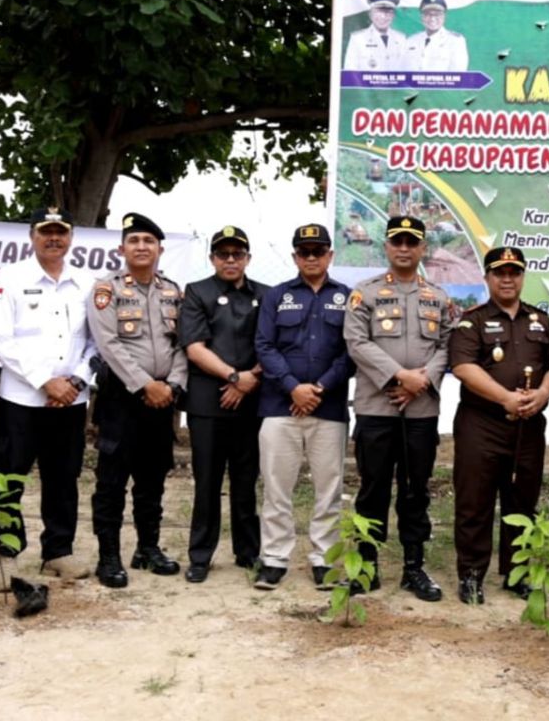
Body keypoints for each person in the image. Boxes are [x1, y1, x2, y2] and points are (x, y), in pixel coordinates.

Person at [344, 215, 454, 602]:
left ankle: (414, 567)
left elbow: (447, 346)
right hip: (377, 408)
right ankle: (367, 567)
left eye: (412, 242)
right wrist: (397, 378)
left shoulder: (438, 297)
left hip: (421, 411)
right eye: (397, 242)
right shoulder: (365, 293)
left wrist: (421, 381)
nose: (404, 249)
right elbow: (356, 343)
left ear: (422, 248)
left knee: (415, 491)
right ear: (387, 248)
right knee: (372, 490)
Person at [0, 207, 98, 581]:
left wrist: (75, 384)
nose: (54, 238)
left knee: (63, 478)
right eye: (46, 231)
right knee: (9, 477)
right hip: (21, 399)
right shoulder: (10, 277)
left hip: (71, 401)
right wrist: (44, 381)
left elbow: (97, 344)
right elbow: (0, 340)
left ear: (70, 237)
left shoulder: (87, 282)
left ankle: (58, 552)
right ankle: (7, 554)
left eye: (60, 232)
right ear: (32, 236)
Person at [449, 247, 549, 604]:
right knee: (474, 503)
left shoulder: (541, 321)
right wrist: (505, 398)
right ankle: (471, 575)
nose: (507, 278)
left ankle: (517, 574)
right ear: (487, 278)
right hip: (482, 425)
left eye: (514, 272)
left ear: (523, 276)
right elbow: (464, 367)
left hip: (528, 428)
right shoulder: (473, 320)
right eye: (500, 273)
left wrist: (542, 394)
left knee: (522, 502)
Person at [87, 213, 188, 589]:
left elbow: (182, 344)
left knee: (153, 478)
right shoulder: (107, 290)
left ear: (160, 249)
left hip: (163, 401)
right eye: (135, 241)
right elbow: (108, 344)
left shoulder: (172, 292)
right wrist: (145, 384)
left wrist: (173, 385)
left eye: (149, 241)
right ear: (122, 249)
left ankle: (148, 548)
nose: (142, 247)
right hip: (122, 397)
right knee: (112, 481)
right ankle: (108, 556)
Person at [254, 224, 353, 590]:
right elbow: (264, 346)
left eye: (318, 251)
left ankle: (324, 561)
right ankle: (274, 559)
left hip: (328, 410)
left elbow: (351, 351)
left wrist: (320, 388)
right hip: (280, 407)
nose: (311, 257)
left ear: (330, 255)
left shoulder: (347, 297)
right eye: (304, 251)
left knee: (329, 490)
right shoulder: (277, 296)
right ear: (295, 256)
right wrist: (294, 388)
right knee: (277, 489)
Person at [177, 226, 267, 583]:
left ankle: (248, 552)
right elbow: (195, 347)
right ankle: (200, 556)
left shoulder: (266, 294)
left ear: (247, 257)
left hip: (251, 401)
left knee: (246, 482)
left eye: (237, 254)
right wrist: (234, 378)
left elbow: (271, 343)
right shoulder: (197, 292)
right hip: (208, 403)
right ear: (212, 258)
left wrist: (248, 383)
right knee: (207, 483)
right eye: (223, 254)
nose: (230, 260)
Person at [399, 0, 469, 72]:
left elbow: (458, 76)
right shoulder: (411, 41)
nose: (432, 19)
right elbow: (403, 72)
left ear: (444, 16)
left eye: (437, 14)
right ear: (422, 17)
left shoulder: (455, 42)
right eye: (428, 14)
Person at [343, 0, 407, 72]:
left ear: (393, 16)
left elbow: (407, 70)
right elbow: (350, 73)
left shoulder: (401, 38)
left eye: (388, 12)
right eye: (378, 11)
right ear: (370, 14)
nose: (383, 17)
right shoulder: (358, 39)